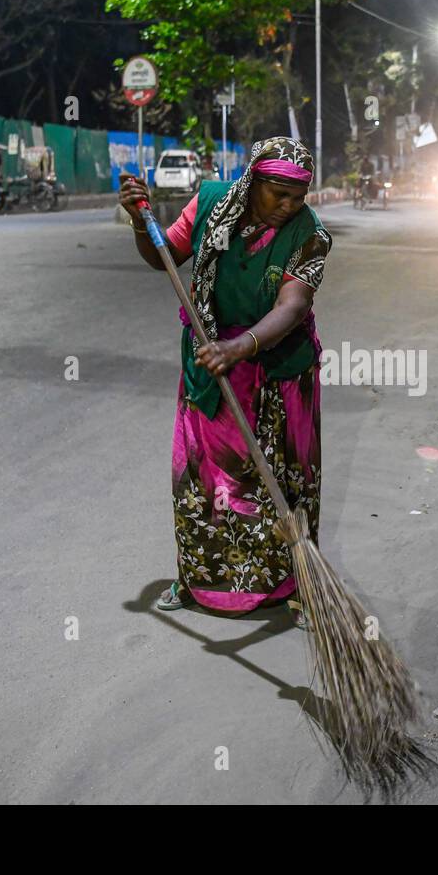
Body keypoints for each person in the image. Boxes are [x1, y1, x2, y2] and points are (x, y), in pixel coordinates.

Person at [119, 137, 331, 629]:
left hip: (278, 371)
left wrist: (240, 348)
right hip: (210, 366)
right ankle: (202, 581)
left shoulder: (310, 234)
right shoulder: (212, 202)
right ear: (253, 181)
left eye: (297, 196)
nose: (288, 205)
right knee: (206, 482)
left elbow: (292, 306)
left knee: (281, 478)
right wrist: (137, 219)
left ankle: (290, 583)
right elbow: (164, 255)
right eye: (278, 193)